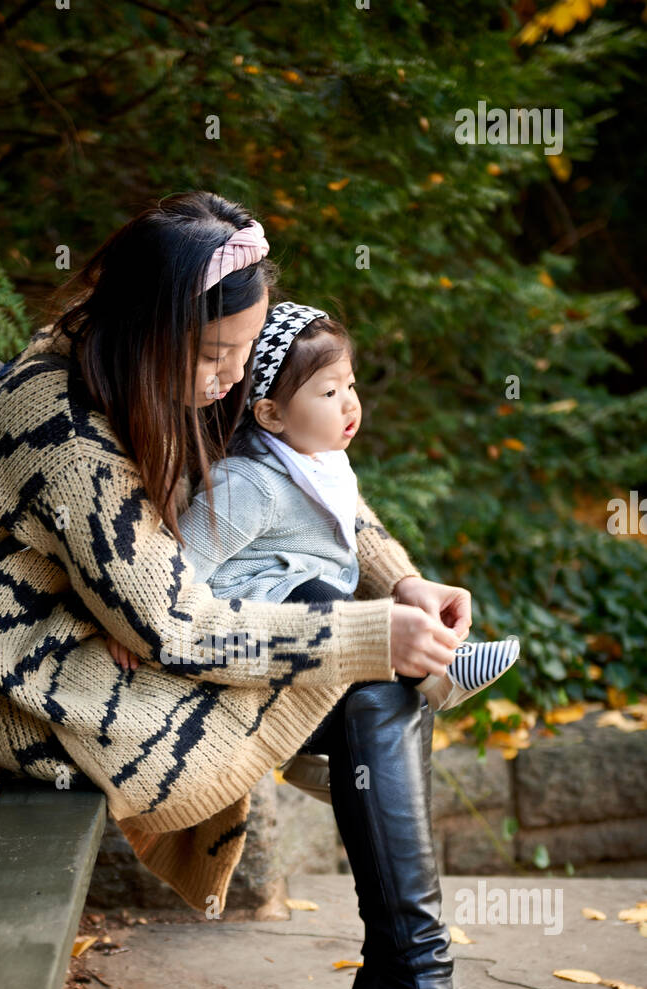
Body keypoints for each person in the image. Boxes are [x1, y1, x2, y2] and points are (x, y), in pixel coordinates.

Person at [0, 190, 523, 989]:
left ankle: (409, 984)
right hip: (28, 683)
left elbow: (301, 477)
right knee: (367, 675)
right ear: (155, 326)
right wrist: (371, 633)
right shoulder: (71, 433)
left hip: (110, 630)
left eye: (245, 356)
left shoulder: (137, 358)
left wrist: (393, 579)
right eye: (216, 358)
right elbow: (175, 628)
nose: (233, 380)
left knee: (366, 665)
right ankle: (410, 986)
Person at [105, 299, 521, 806]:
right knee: (325, 599)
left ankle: (314, 755)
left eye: (350, 385)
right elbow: (183, 561)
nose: (349, 404)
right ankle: (440, 668)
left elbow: (355, 527)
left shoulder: (319, 461)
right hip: (249, 623)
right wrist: (135, 622)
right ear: (271, 414)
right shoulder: (248, 484)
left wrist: (406, 582)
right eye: (328, 391)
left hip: (299, 640)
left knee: (339, 614)